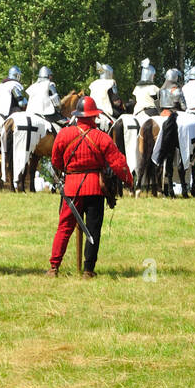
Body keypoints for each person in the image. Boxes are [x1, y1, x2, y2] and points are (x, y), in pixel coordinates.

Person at [47, 96, 132, 277]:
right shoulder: (102, 137)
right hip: (95, 189)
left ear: (77, 115)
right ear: (93, 117)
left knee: (64, 227)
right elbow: (118, 162)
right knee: (93, 230)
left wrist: (69, 173)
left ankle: (54, 267)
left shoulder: (63, 134)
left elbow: (56, 160)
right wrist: (129, 180)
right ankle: (88, 270)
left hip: (71, 188)